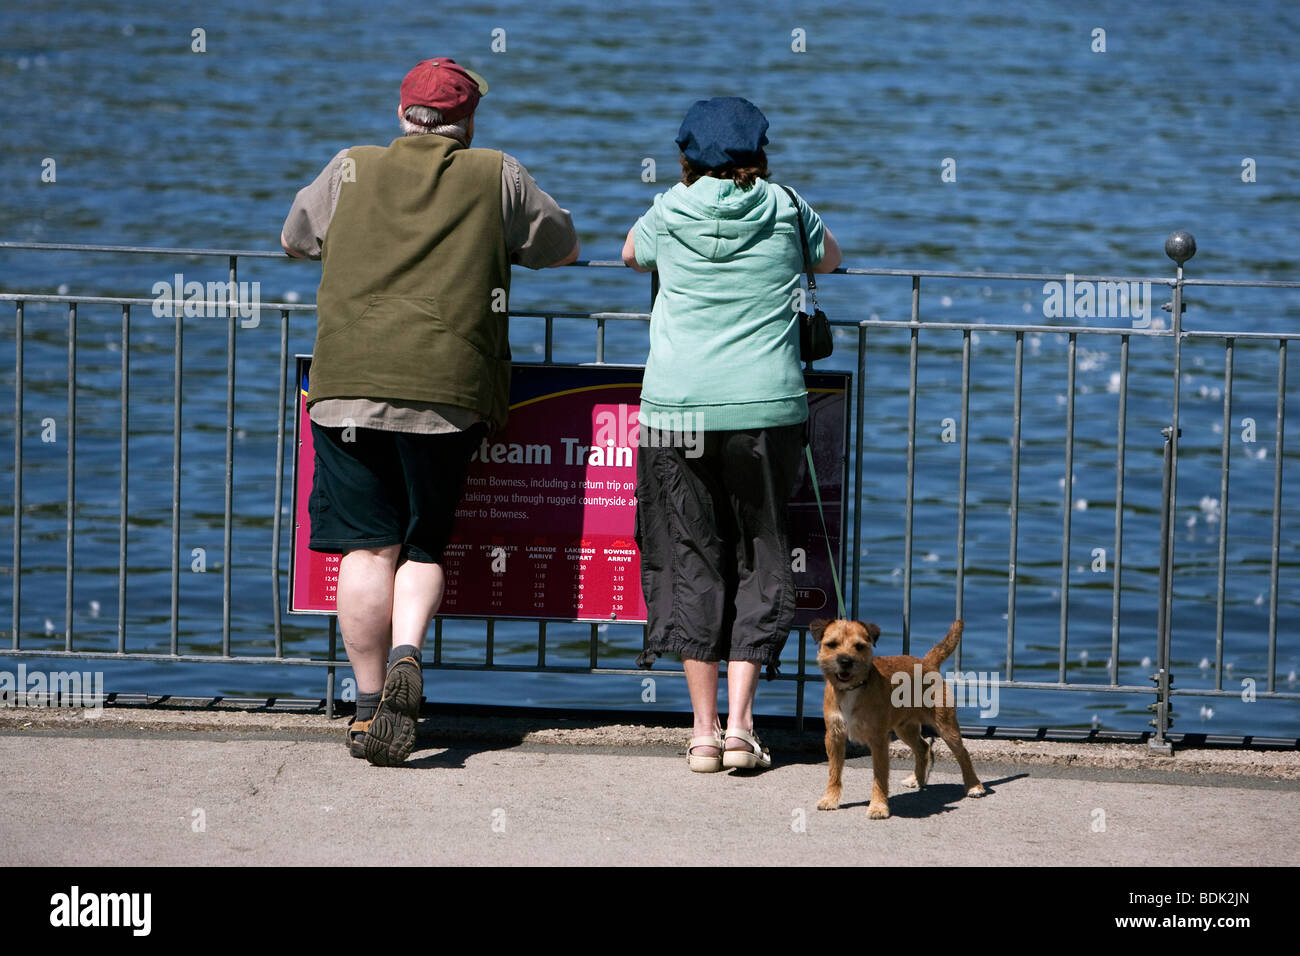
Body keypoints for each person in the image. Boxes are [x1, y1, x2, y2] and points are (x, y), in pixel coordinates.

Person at [281, 57, 579, 766]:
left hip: (347, 382)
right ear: (468, 123)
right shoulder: (495, 173)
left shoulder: (350, 167)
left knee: (365, 548)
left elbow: (295, 239)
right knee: (421, 547)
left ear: (401, 114)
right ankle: (410, 652)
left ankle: (363, 705)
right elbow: (562, 247)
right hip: (447, 392)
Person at [622, 96, 842, 772]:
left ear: (686, 157)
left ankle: (702, 732)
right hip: (765, 409)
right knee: (763, 554)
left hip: (678, 410)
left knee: (690, 553)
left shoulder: (669, 209)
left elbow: (631, 254)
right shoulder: (784, 205)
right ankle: (745, 728)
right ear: (761, 155)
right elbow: (829, 259)